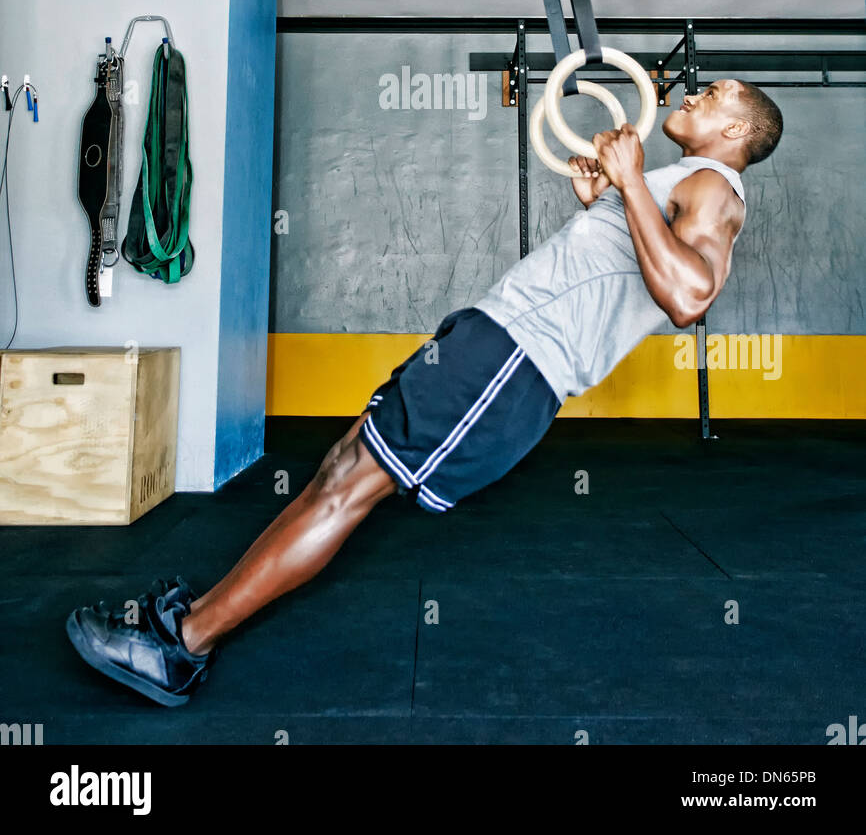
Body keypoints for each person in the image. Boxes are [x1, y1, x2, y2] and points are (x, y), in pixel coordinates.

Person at [66, 78, 782, 707]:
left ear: (737, 130)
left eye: (713, 94)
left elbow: (690, 295)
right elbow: (633, 267)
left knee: (347, 487)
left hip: (514, 362)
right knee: (342, 467)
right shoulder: (679, 185)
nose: (693, 95)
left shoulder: (715, 187)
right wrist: (607, 199)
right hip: (494, 343)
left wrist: (628, 184)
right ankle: (197, 620)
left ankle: (180, 648)